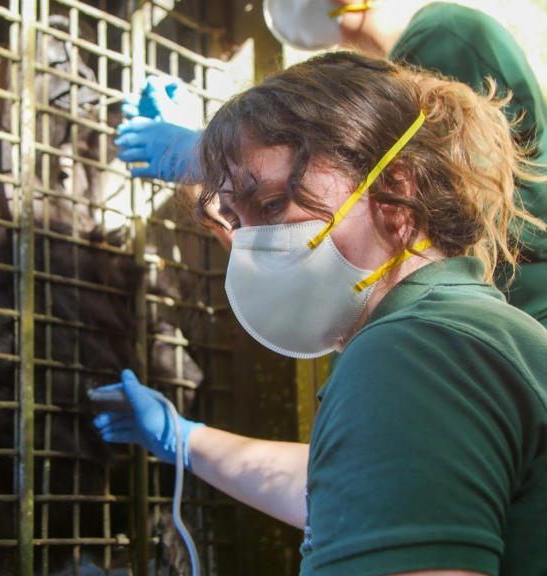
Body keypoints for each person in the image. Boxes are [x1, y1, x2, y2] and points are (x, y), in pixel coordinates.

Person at [96, 51, 547, 574]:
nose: (253, 249)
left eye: (271, 205)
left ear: (395, 190)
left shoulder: (412, 355)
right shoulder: (463, 333)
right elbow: (347, 492)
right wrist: (185, 440)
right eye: (236, 222)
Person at [115, 0, 547, 327]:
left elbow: (452, 205)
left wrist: (209, 154)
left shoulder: (446, 36)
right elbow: (291, 266)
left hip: (516, 309)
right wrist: (220, 172)